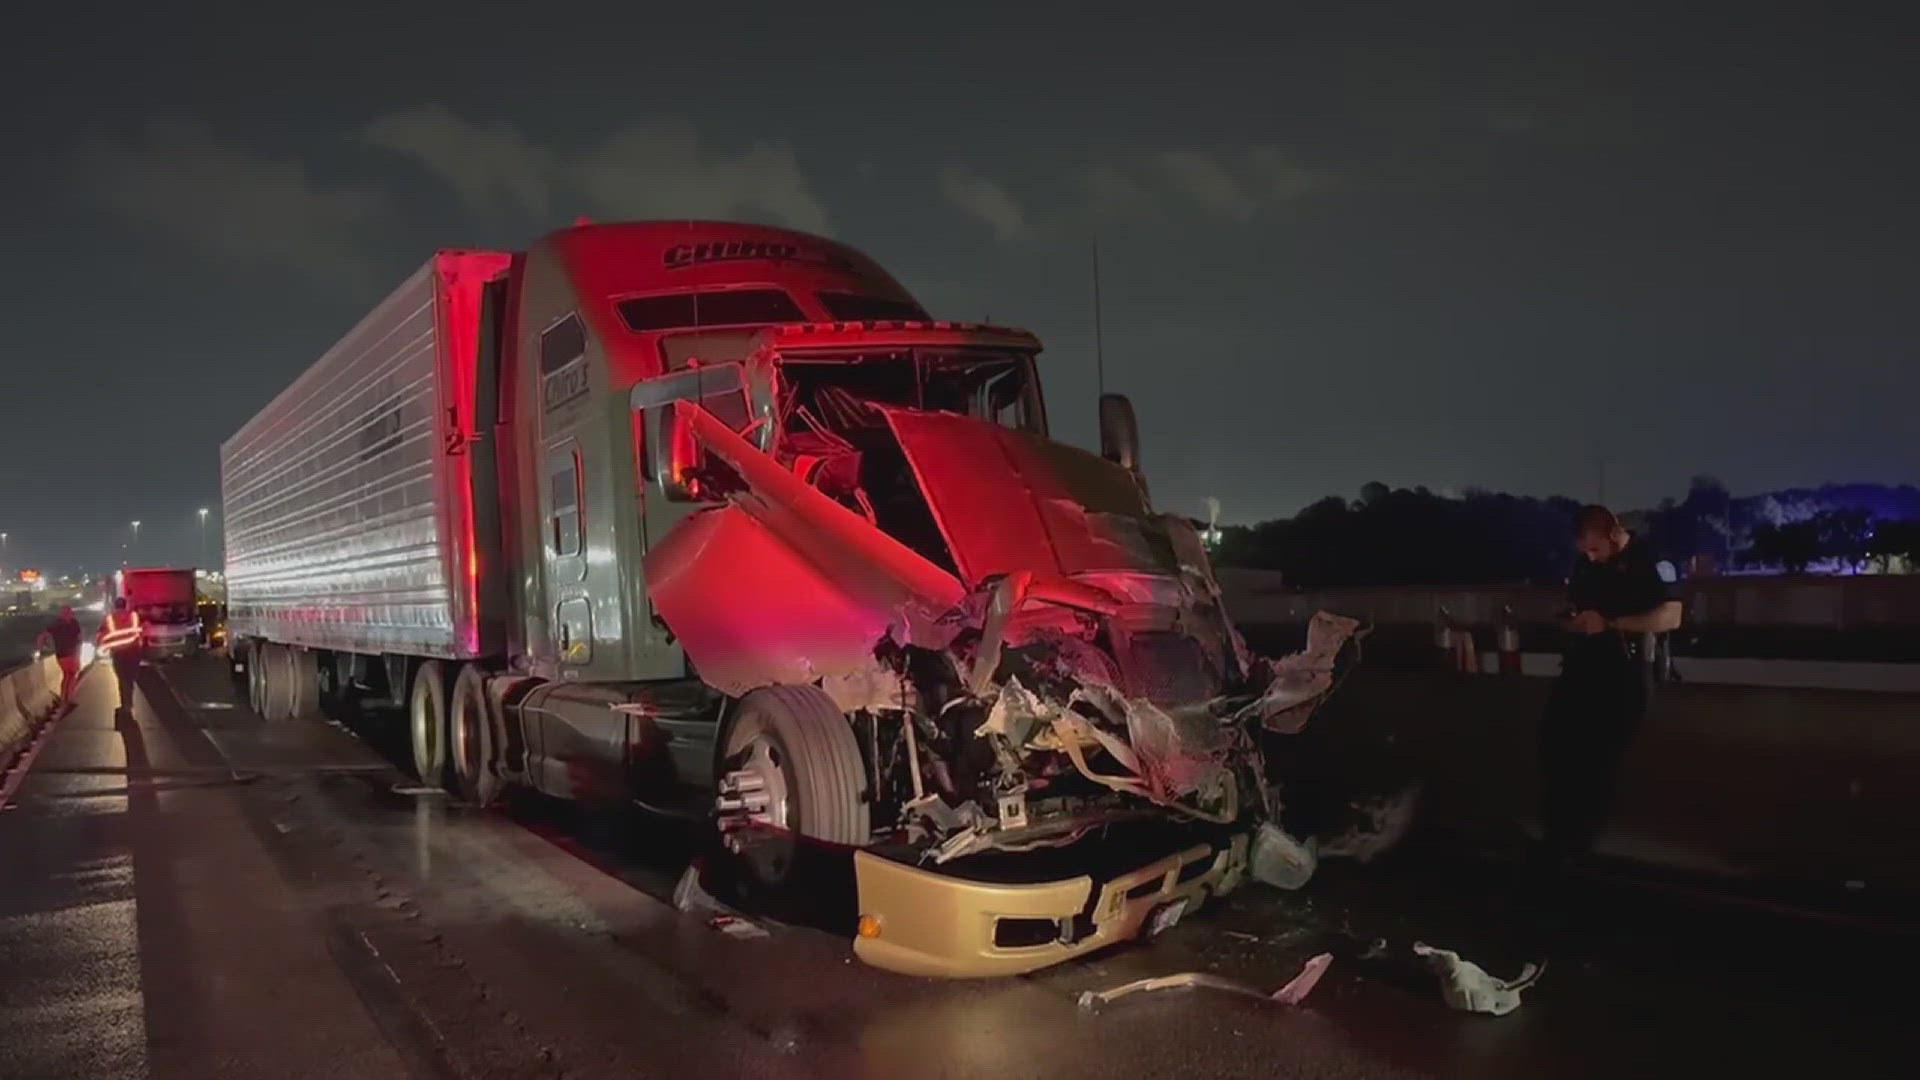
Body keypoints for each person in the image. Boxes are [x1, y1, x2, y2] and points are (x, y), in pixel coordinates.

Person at [1538, 505, 1682, 877]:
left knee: (1597, 760)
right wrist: (1573, 622)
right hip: (1583, 665)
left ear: (1614, 534)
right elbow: (1581, 605)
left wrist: (1614, 624)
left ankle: (1578, 847)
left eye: (1596, 549)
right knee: (1555, 748)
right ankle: (1556, 841)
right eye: (1585, 551)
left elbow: (1671, 616)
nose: (1590, 557)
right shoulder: (1586, 565)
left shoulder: (1650, 559)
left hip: (1626, 667)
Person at [97, 597, 144, 716]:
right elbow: (140, 630)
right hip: (133, 652)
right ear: (125, 605)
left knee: (122, 679)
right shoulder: (133, 615)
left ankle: (125, 704)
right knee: (130, 678)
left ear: (115, 606)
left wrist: (103, 647)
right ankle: (129, 702)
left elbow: (102, 633)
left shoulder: (110, 618)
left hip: (118, 653)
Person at [36, 606, 85, 709]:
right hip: (69, 654)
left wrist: (41, 647)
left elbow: (42, 636)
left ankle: (64, 698)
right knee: (71, 675)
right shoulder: (70, 623)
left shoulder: (59, 624)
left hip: (65, 654)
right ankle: (68, 698)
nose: (69, 614)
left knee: (68, 675)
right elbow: (80, 637)